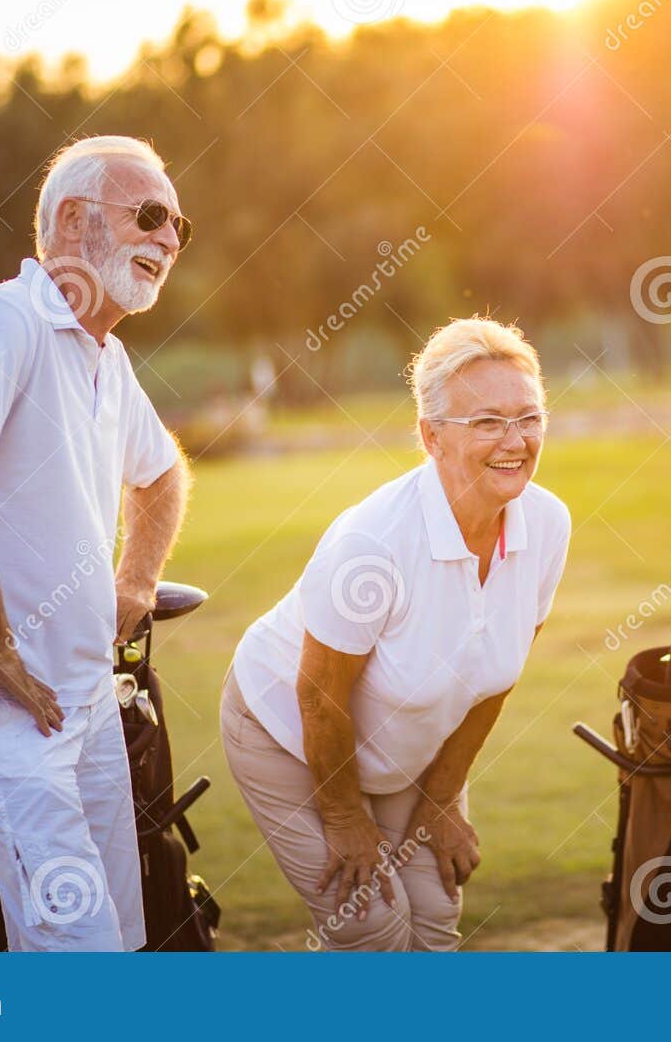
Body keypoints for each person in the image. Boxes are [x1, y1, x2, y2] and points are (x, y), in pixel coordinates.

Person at [0, 136, 193, 950]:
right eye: (148, 216)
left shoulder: (109, 354)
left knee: (125, 942)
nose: (168, 240)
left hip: (84, 698)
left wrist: (135, 582)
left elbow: (163, 473)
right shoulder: (10, 315)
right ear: (71, 219)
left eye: (179, 226)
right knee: (79, 951)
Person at [220, 317, 570, 950]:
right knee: (373, 929)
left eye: (529, 417)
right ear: (431, 436)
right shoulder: (373, 543)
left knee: (434, 916)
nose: (515, 441)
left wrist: (441, 800)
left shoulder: (547, 525)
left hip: (402, 744)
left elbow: (495, 677)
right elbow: (319, 697)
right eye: (487, 421)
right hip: (288, 736)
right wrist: (346, 817)